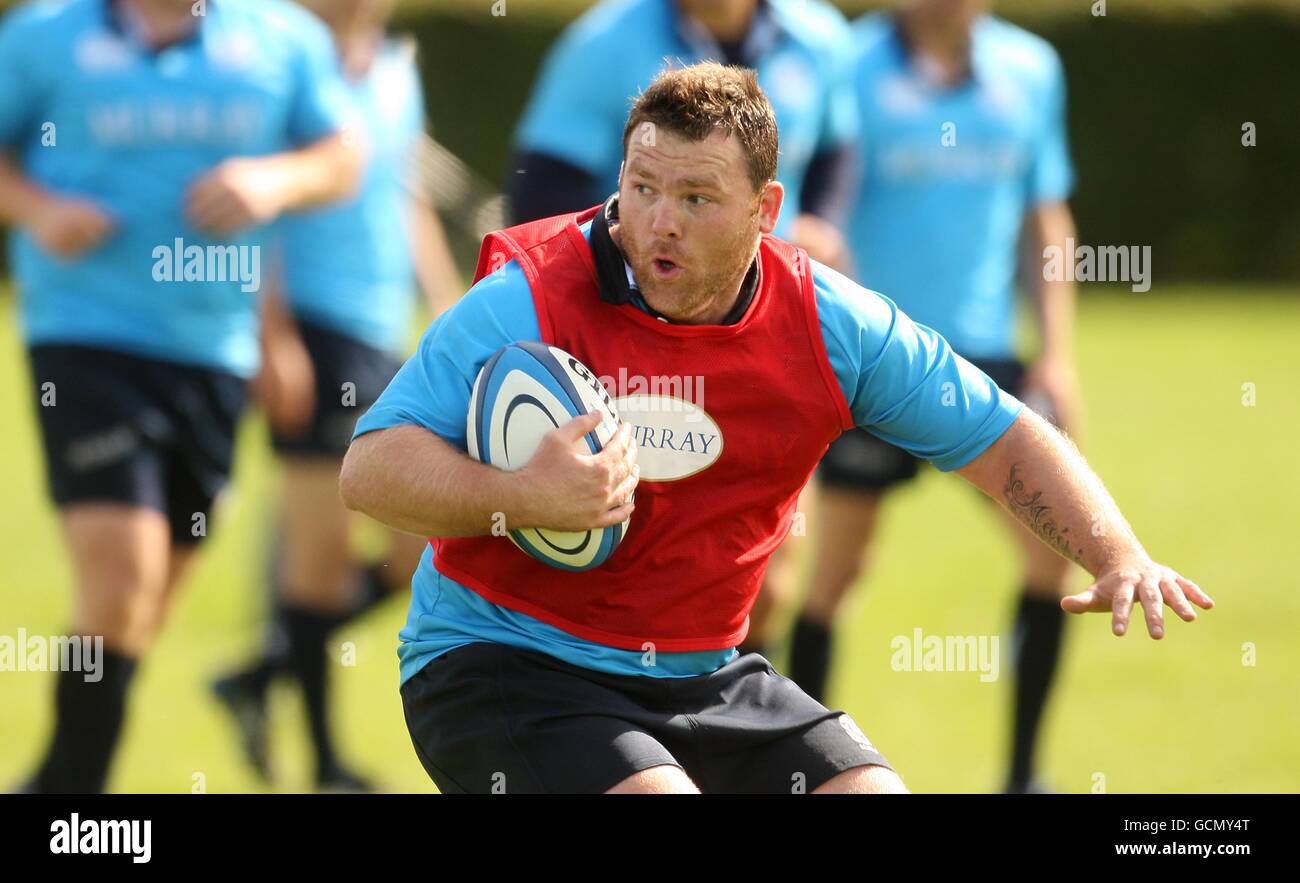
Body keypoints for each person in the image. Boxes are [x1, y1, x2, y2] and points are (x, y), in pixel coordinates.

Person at [339, 63, 1211, 795]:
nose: (658, 221)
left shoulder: (832, 326)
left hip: (707, 675)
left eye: (696, 196)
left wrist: (1118, 554)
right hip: (505, 663)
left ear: (766, 208)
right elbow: (371, 467)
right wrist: (520, 494)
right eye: (640, 188)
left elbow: (1001, 434)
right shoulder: (527, 295)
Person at [0, 0, 360, 793]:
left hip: (213, 350)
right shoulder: (43, 35)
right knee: (123, 578)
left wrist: (274, 179)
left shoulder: (280, 40)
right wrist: (38, 207)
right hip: (84, 335)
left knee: (139, 608)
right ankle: (73, 812)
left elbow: (343, 156)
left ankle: (51, 787)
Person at [785, 0, 1083, 794]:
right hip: (873, 360)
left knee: (1048, 553)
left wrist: (1058, 353)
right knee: (834, 575)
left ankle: (1023, 777)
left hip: (986, 362)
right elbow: (813, 197)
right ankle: (796, 776)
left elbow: (1044, 213)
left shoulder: (1030, 70)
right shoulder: (844, 61)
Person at [209, 0, 461, 792]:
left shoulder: (395, 67)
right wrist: (271, 333)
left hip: (380, 331)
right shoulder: (284, 72)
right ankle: (322, 766)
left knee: (422, 544)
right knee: (316, 561)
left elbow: (405, 197)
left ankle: (260, 673)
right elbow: (258, 211)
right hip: (311, 331)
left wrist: (453, 304)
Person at [508, 0, 857, 273]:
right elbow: (544, 185)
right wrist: (609, 270)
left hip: (772, 297)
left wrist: (819, 218)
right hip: (640, 298)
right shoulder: (603, 43)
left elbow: (834, 144)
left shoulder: (820, 40)